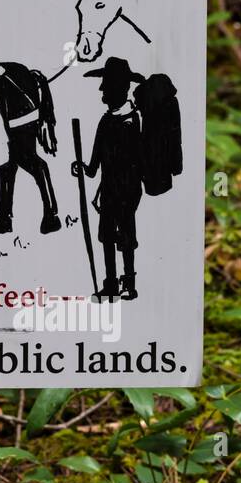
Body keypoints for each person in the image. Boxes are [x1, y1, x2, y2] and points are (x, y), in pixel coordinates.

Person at [71, 57, 144, 301]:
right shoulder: (105, 121)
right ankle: (111, 284)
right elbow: (94, 166)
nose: (102, 89)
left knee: (125, 238)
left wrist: (126, 188)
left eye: (107, 84)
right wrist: (82, 168)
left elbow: (135, 163)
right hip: (109, 192)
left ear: (120, 88)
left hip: (127, 191)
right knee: (106, 237)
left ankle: (129, 285)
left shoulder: (132, 121)